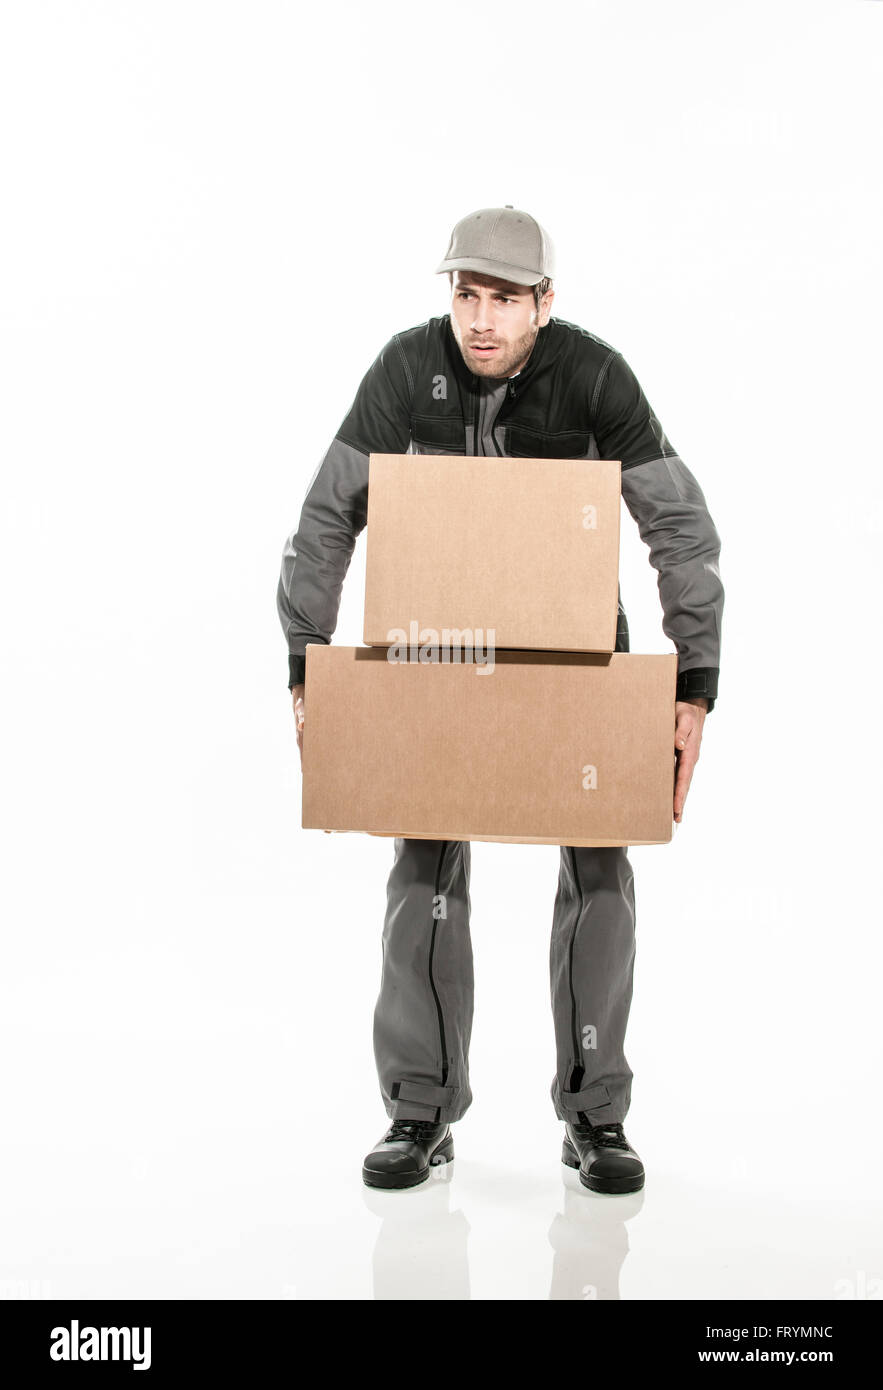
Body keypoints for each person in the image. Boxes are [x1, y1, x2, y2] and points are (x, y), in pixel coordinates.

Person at [276, 206, 724, 1195]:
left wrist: (692, 680)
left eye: (505, 299)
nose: (481, 319)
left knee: (599, 875)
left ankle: (596, 1116)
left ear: (544, 302)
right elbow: (326, 515)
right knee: (424, 870)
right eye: (466, 295)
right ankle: (419, 1110)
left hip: (574, 655)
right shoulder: (405, 370)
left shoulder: (595, 378)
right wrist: (308, 659)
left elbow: (678, 527)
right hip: (439, 648)